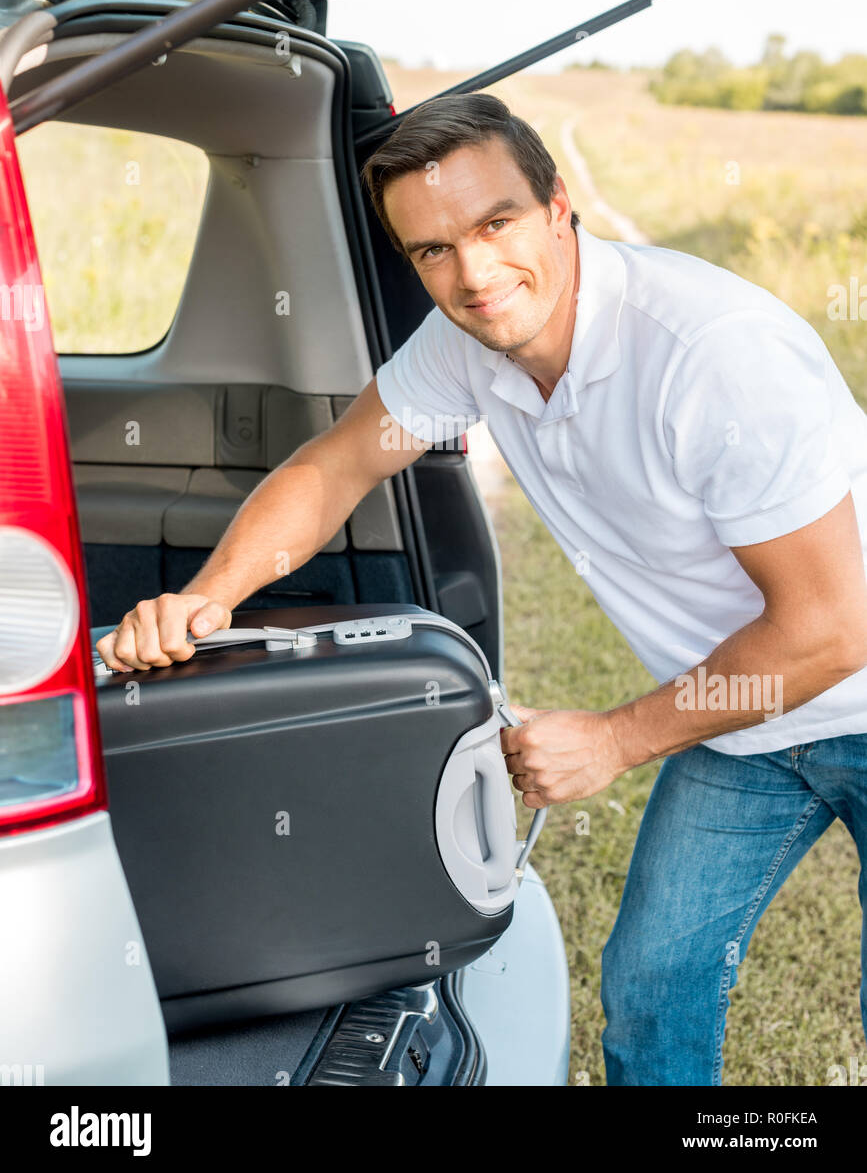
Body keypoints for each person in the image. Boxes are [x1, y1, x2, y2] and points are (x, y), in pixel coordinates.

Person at [96, 91, 867, 1086]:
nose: (473, 273)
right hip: (743, 717)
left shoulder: (710, 358)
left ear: (557, 205)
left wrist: (614, 737)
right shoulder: (471, 338)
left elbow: (834, 627)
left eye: (495, 224)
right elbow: (335, 466)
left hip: (839, 671)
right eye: (432, 250)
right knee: (653, 982)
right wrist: (212, 598)